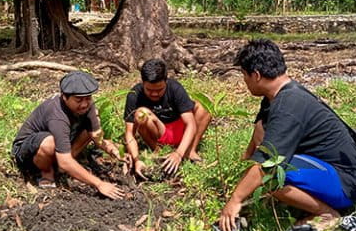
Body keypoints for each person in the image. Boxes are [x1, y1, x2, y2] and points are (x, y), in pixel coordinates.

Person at [218, 39, 356, 231]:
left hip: (346, 183)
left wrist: (234, 201)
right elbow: (259, 131)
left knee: (271, 177)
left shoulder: (288, 105)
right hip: (324, 167)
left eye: (244, 76)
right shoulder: (276, 95)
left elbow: (268, 166)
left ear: (256, 75)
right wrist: (245, 163)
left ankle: (328, 214)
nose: (245, 82)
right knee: (260, 130)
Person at [11, 71, 125, 200]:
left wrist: (115, 151)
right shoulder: (57, 116)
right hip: (28, 151)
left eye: (88, 98)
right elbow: (64, 161)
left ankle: (65, 165)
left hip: (62, 142)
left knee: (89, 132)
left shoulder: (88, 107)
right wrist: (99, 184)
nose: (84, 104)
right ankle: (45, 173)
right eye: (78, 100)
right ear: (64, 97)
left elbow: (97, 136)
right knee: (50, 143)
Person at [123, 59, 212, 177]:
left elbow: (190, 124)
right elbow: (130, 133)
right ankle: (157, 150)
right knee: (141, 113)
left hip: (180, 130)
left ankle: (190, 150)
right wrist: (137, 159)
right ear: (143, 83)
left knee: (205, 105)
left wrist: (178, 154)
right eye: (149, 90)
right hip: (159, 131)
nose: (154, 94)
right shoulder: (134, 94)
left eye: (159, 90)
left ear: (166, 81)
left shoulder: (175, 88)